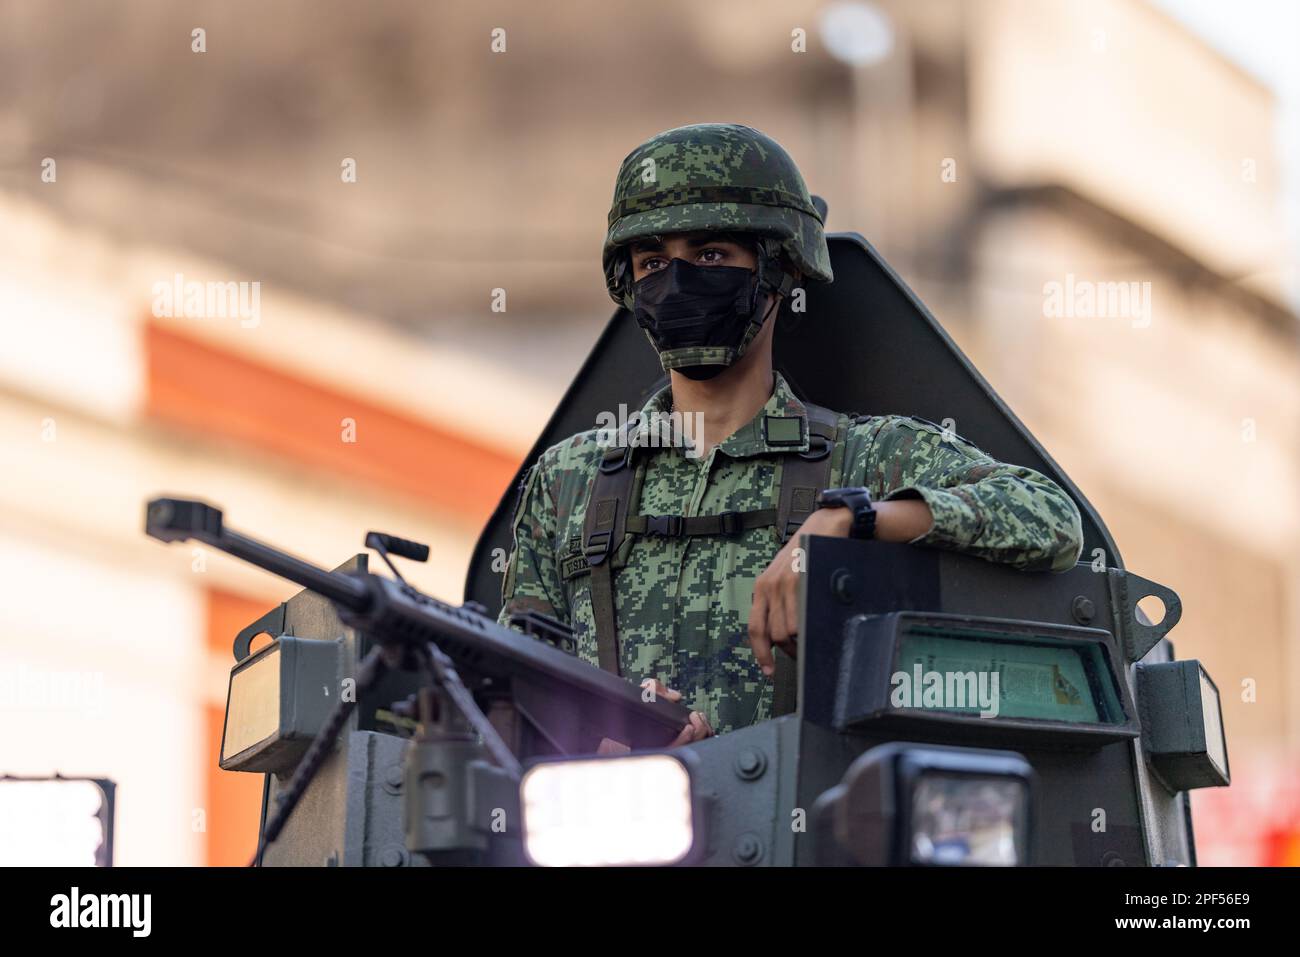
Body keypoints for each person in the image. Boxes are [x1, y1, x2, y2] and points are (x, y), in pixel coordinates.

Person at [497, 123, 1083, 744]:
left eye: (712, 255)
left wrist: (848, 523)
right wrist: (600, 733)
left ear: (778, 269)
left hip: (811, 828)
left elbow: (1050, 519)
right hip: (612, 833)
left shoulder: (865, 456)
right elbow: (516, 681)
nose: (678, 280)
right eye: (652, 262)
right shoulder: (570, 480)